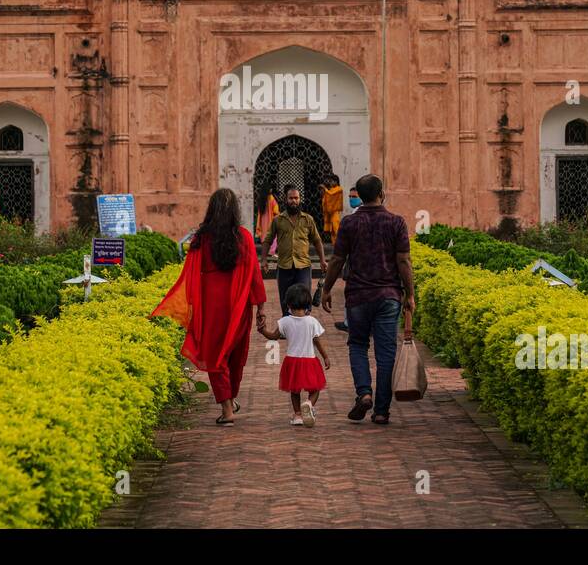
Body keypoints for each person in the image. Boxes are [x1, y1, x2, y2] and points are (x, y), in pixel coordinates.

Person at [152, 187, 266, 425]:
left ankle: (227, 407)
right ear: (235, 210)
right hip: (238, 305)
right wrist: (261, 308)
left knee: (216, 355)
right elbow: (255, 274)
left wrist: (187, 305)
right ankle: (230, 400)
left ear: (211, 210)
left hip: (212, 305)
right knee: (235, 354)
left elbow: (189, 274)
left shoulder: (201, 239)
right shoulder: (244, 237)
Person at [321, 173, 415, 426]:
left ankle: (364, 392)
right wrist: (410, 294)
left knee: (358, 345)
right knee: (386, 353)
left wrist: (326, 288)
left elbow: (338, 259)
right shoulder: (396, 222)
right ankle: (382, 411)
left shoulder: (350, 224)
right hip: (388, 296)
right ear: (381, 194)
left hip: (359, 295)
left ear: (359, 197)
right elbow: (403, 261)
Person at [256, 282, 330, 427]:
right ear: (308, 304)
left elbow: (273, 336)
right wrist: (325, 356)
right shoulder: (312, 322)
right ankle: (309, 404)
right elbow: (317, 341)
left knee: (294, 390)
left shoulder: (285, 321)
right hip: (310, 360)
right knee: (315, 389)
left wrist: (262, 330)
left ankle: (297, 415)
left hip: (292, 361)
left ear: (288, 304)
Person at [261, 184, 326, 317]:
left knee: (304, 299)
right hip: (284, 266)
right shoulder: (278, 220)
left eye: (296, 198)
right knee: (285, 300)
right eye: (291, 198)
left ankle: (305, 326)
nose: (293, 201)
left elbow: (317, 240)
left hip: (303, 266)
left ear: (300, 199)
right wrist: (263, 260)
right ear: (286, 199)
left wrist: (323, 260)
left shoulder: (308, 219)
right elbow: (267, 240)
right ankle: (287, 328)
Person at [320, 174, 343, 242]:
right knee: (332, 230)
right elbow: (327, 197)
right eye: (330, 181)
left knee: (336, 228)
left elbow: (331, 194)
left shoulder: (339, 189)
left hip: (335, 212)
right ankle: (335, 244)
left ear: (336, 181)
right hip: (330, 212)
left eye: (332, 181)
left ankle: (340, 243)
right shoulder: (331, 190)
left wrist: (325, 189)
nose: (331, 183)